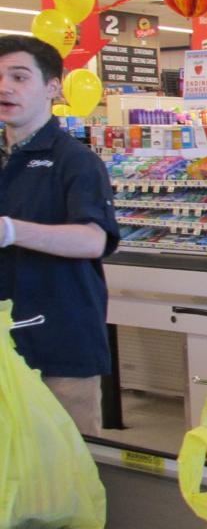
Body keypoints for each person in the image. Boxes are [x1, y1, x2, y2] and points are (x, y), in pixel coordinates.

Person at [0, 36, 120, 435]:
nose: (5, 87)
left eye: (19, 76)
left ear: (52, 87)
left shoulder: (76, 161)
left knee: (68, 468)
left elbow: (93, 240)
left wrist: (12, 230)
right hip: (6, 345)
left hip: (60, 343)